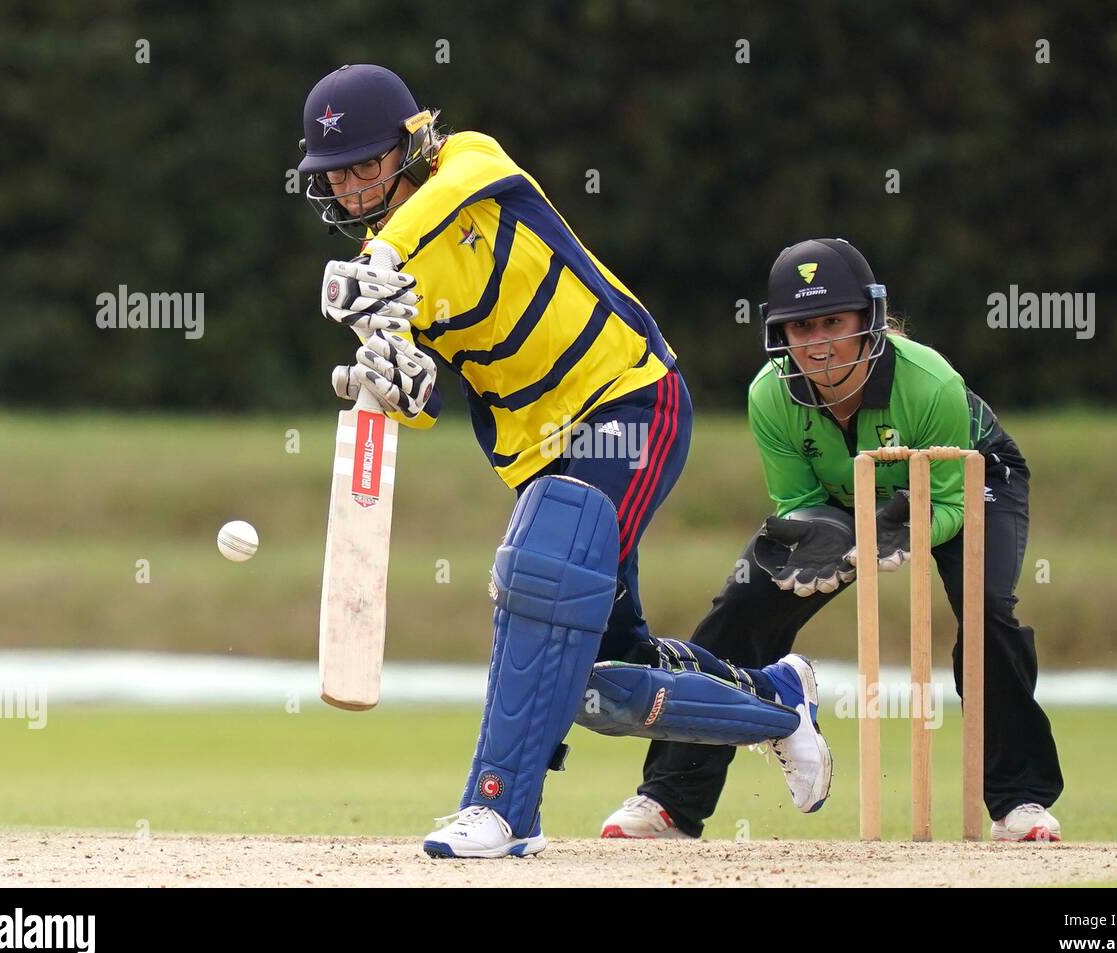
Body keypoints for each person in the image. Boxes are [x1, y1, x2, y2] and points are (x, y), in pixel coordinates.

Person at [295, 65, 832, 858]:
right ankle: (780, 702)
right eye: (337, 178)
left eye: (367, 167)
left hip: (629, 400)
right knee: (607, 678)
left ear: (415, 145)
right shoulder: (388, 276)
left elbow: (438, 205)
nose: (355, 192)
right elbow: (430, 392)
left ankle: (502, 808)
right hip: (539, 456)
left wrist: (380, 265)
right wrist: (396, 383)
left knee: (541, 577)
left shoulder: (469, 166)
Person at [602, 237, 1065, 842]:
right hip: (852, 502)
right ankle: (669, 801)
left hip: (975, 479)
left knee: (988, 614)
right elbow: (798, 502)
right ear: (780, 335)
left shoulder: (930, 384)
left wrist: (906, 526)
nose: (818, 343)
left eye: (833, 322)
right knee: (740, 610)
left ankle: (1020, 801)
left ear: (867, 320)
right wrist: (832, 537)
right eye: (801, 327)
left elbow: (951, 497)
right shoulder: (770, 396)